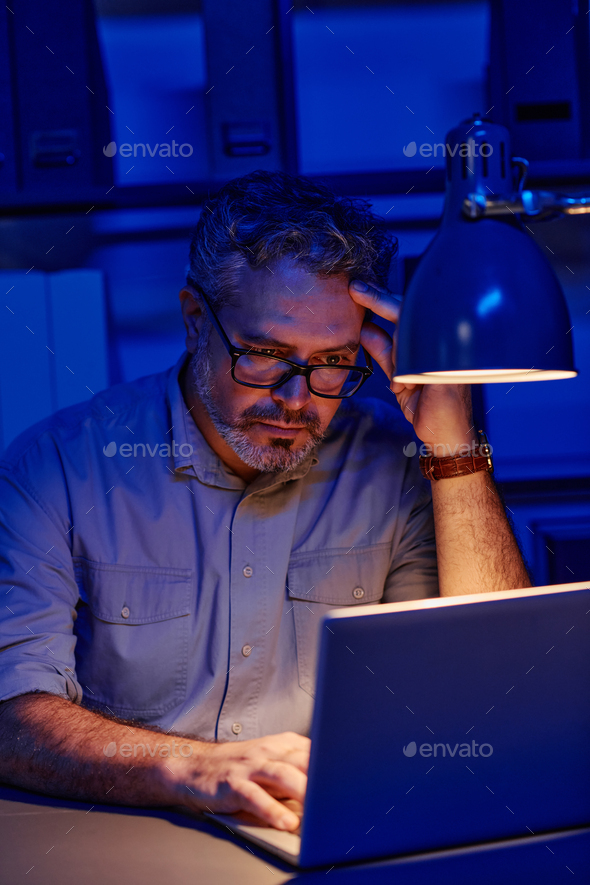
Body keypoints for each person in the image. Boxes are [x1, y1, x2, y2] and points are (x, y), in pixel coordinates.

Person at [0, 171, 530, 832]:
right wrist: (193, 769)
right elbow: (12, 717)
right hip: (128, 847)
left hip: (327, 840)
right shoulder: (55, 468)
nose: (296, 397)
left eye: (333, 361)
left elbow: (490, 687)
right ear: (195, 321)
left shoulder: (398, 461)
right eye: (264, 354)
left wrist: (455, 452)